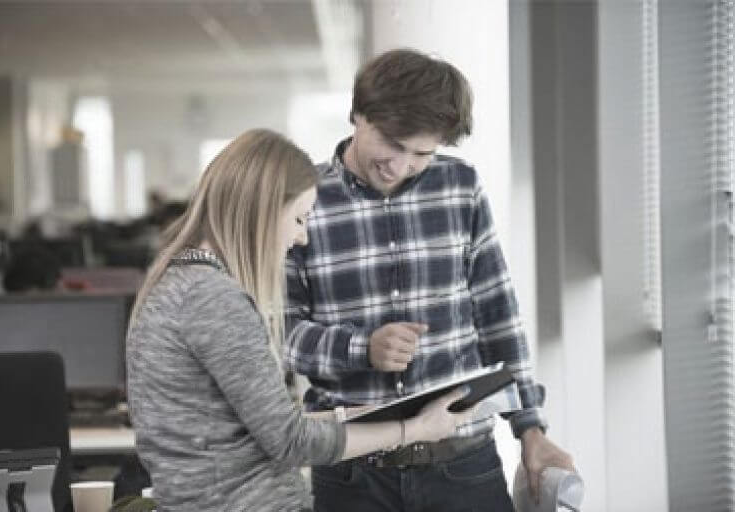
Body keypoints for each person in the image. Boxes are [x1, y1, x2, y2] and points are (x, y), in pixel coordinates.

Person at [126, 128, 482, 512]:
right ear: (262, 211)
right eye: (298, 218)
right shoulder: (213, 300)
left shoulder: (177, 284)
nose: (302, 238)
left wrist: (375, 412)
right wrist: (414, 430)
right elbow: (291, 441)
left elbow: (261, 425)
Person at [283, 48, 575, 512]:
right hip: (352, 474)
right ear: (357, 114)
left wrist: (531, 430)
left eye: (421, 153)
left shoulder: (460, 186)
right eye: (392, 143)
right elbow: (280, 334)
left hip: (464, 468)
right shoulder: (303, 201)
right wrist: (362, 348)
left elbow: (498, 316)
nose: (401, 165)